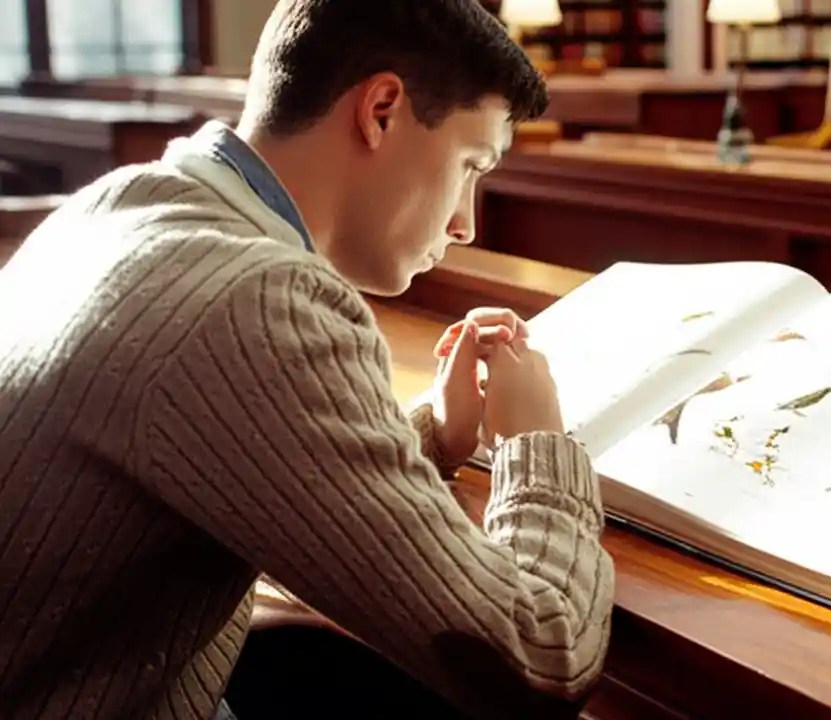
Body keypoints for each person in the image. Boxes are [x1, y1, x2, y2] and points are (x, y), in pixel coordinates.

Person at [0, 1, 614, 718]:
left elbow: (213, 440)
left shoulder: (119, 203)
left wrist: (433, 438)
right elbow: (542, 657)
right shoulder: (262, 298)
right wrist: (536, 445)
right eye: (470, 164)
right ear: (382, 110)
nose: (465, 223)